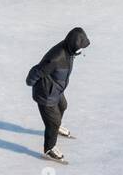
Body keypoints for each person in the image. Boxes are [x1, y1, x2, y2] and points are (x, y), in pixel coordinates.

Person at [26, 27, 91, 163]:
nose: (81, 51)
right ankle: (49, 149)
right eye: (80, 47)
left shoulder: (69, 49)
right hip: (46, 94)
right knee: (53, 121)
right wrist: (30, 82)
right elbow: (37, 71)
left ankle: (54, 127)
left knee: (63, 105)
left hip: (55, 89)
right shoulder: (57, 57)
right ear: (73, 44)